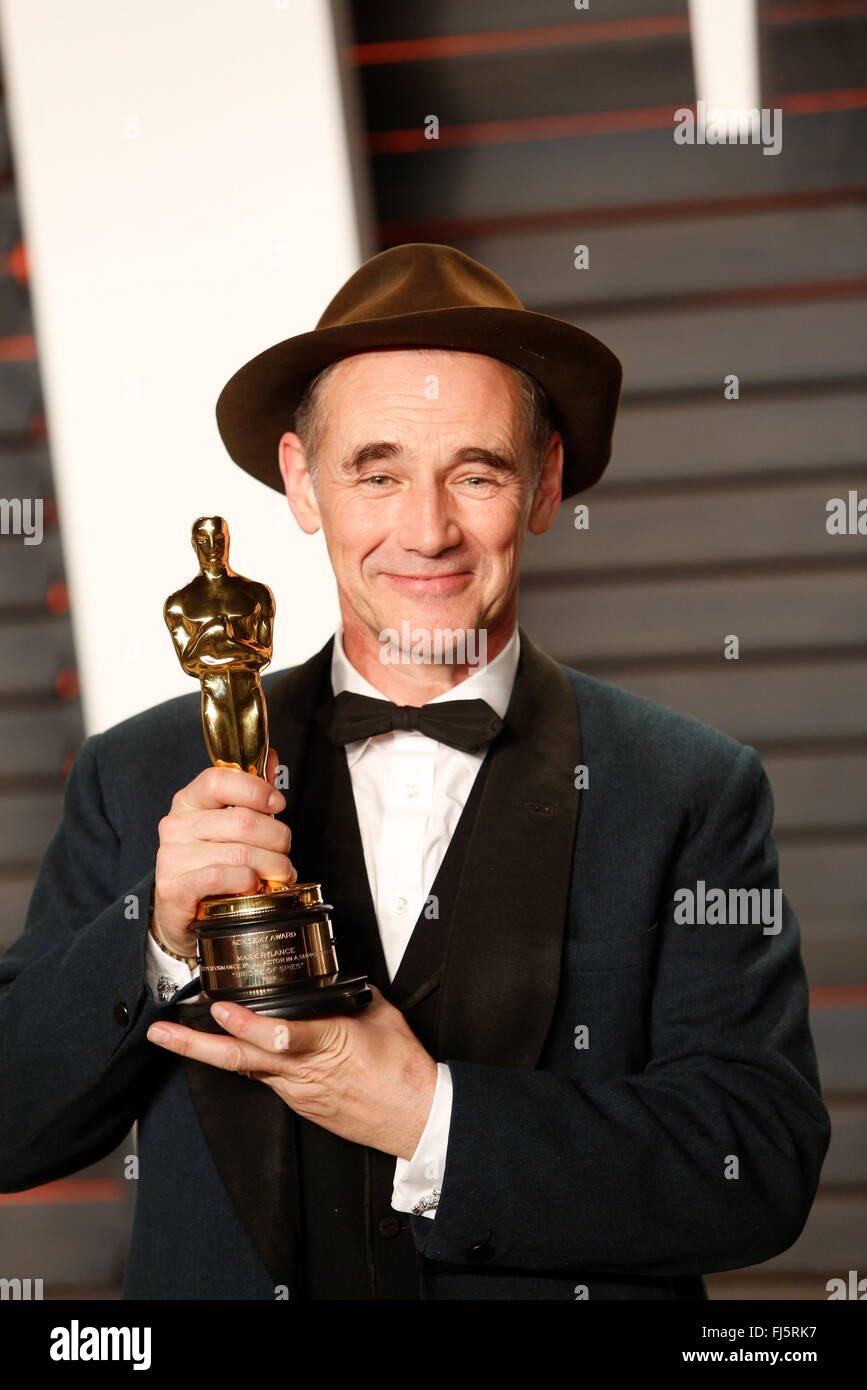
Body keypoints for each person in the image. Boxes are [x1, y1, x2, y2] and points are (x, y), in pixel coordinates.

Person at [0, 243, 830, 1300]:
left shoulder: (688, 789)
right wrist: (154, 940)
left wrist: (430, 1116)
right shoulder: (140, 771)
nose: (427, 530)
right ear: (303, 481)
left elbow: (756, 1163)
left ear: (545, 484)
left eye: (476, 473)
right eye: (377, 471)